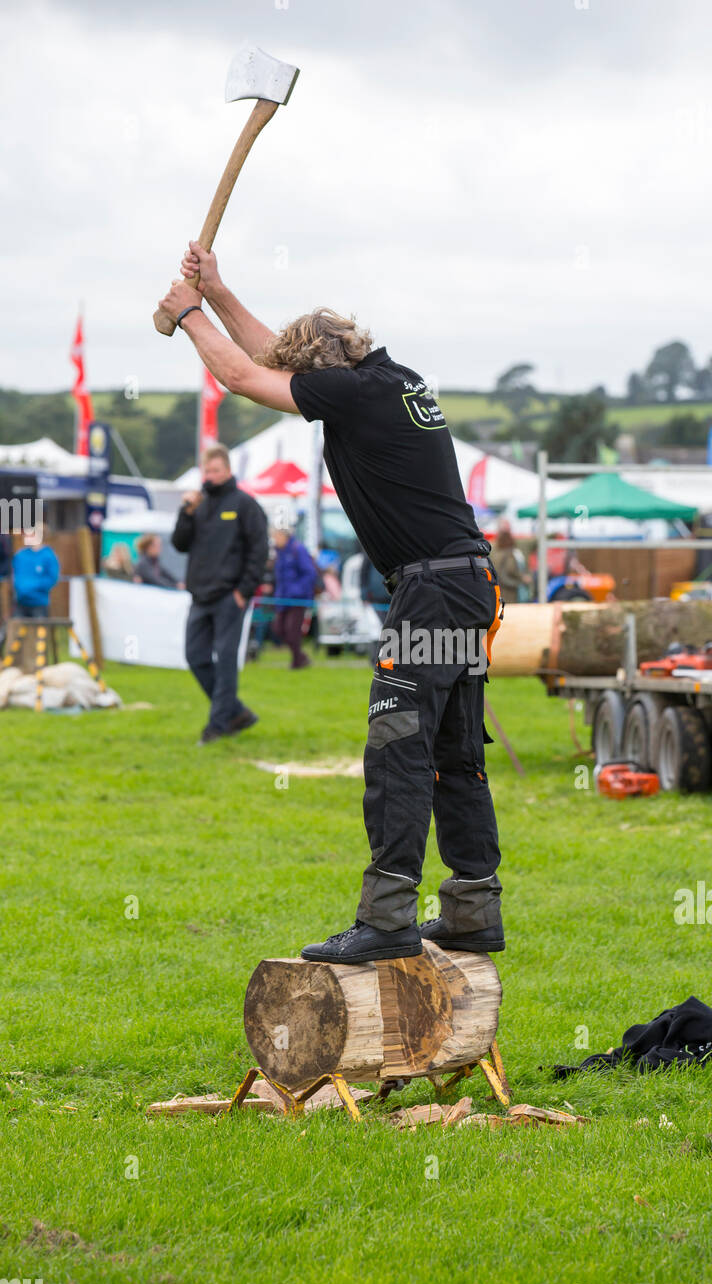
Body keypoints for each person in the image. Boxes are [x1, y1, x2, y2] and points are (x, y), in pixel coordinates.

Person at [159, 243, 505, 965]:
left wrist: (188, 315)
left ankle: (386, 920)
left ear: (322, 374)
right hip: (466, 585)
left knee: (398, 747)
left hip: (431, 593)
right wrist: (219, 291)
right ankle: (473, 909)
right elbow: (275, 361)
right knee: (453, 754)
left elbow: (246, 375)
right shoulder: (385, 378)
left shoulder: (349, 394)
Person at [171, 443, 268, 745]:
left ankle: (216, 726)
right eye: (206, 470)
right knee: (195, 656)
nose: (210, 476)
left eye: (215, 470)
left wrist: (244, 591)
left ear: (227, 471)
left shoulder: (245, 505)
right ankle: (234, 712)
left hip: (230, 596)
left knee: (225, 660)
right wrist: (185, 513)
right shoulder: (198, 506)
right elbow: (179, 544)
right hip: (200, 596)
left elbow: (259, 551)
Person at [272, 527, 318, 669]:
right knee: (278, 629)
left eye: (277, 536)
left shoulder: (298, 550)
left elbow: (310, 573)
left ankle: (297, 661)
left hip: (297, 598)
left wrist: (297, 590)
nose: (275, 540)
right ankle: (301, 658)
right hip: (283, 598)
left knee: (293, 632)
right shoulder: (279, 553)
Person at [12, 530, 60, 617]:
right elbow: (16, 576)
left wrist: (31, 587)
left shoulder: (49, 555)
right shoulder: (20, 555)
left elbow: (52, 578)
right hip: (20, 603)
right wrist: (20, 588)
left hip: (39, 604)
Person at [489, 519, 523, 606]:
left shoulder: (490, 547)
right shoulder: (510, 551)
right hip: (508, 592)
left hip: (495, 591)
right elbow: (511, 569)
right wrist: (521, 578)